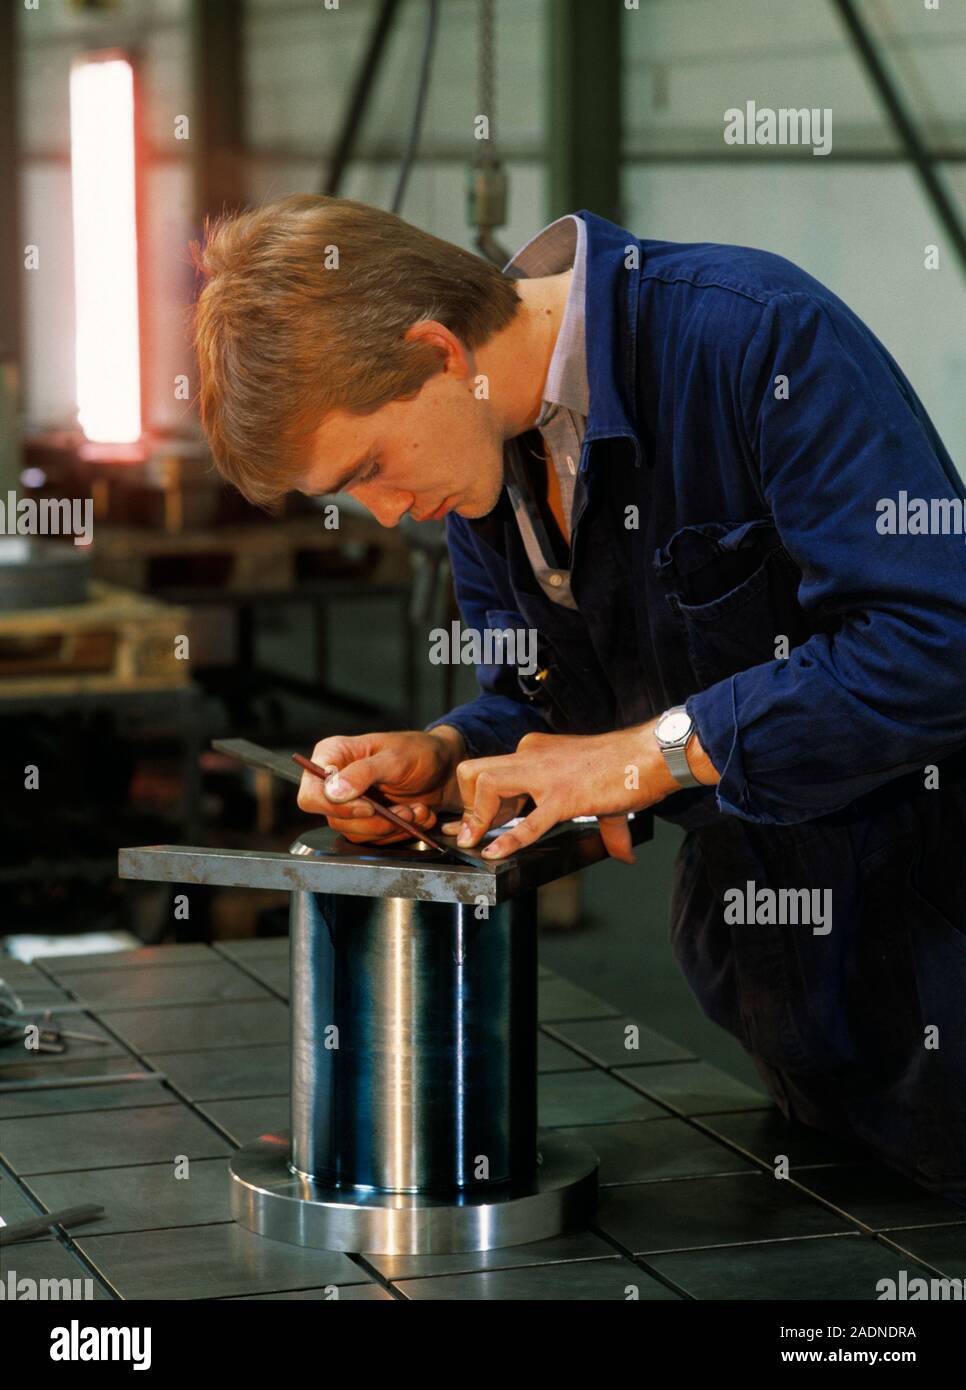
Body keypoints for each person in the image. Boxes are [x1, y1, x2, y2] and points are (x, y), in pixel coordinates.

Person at [192, 194, 966, 1194]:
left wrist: (659, 751)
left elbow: (936, 639)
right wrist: (448, 753)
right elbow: (558, 708)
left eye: (372, 466)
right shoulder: (483, 471)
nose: (384, 509)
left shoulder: (750, 338)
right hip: (787, 985)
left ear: (435, 351)